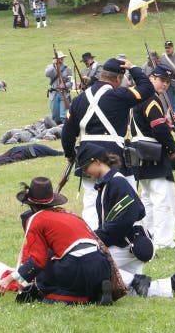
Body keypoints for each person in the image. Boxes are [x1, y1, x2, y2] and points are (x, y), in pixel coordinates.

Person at [76, 144, 175, 298]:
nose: (85, 172)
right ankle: (172, 284)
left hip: (129, 244)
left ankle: (135, 280)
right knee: (128, 291)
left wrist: (96, 239)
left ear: (97, 161)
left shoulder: (116, 182)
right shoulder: (108, 183)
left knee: (87, 262)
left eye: (86, 167)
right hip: (124, 242)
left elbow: (123, 222)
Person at [61, 57, 154, 229]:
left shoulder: (79, 99)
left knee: (91, 201)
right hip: (113, 153)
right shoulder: (119, 95)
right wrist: (133, 68)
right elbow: (147, 88)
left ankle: (92, 238)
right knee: (127, 198)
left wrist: (70, 155)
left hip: (87, 155)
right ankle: (134, 236)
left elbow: (67, 133)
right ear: (118, 78)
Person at [0, 176, 113, 305]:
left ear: (30, 204)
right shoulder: (71, 215)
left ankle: (63, 296)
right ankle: (97, 293)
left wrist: (7, 280)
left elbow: (37, 261)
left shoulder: (36, 219)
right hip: (101, 266)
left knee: (47, 265)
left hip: (76, 267)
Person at [129, 64, 175, 249]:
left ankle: (149, 235)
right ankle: (164, 241)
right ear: (151, 78)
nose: (165, 84)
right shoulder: (151, 99)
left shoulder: (138, 98)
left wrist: (167, 123)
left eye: (167, 81)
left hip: (139, 151)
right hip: (153, 151)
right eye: (162, 80)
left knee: (148, 198)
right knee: (163, 198)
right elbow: (158, 128)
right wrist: (172, 148)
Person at [45, 51, 72, 124]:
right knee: (55, 115)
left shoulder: (67, 69)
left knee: (64, 115)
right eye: (59, 58)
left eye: (62, 58)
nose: (61, 60)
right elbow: (47, 74)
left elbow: (71, 82)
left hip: (64, 93)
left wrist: (65, 85)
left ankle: (65, 127)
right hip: (54, 94)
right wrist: (53, 65)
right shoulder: (50, 67)